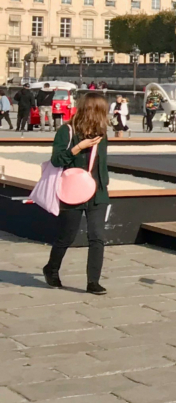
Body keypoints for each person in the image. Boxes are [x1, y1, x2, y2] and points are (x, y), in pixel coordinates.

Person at [43, 92, 112, 296]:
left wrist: (104, 185)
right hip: (72, 191)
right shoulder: (67, 131)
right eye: (102, 110)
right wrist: (78, 148)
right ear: (93, 110)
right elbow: (56, 160)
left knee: (97, 237)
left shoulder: (102, 133)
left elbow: (102, 164)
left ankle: (93, 282)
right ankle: (51, 269)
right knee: (67, 236)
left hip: (97, 192)